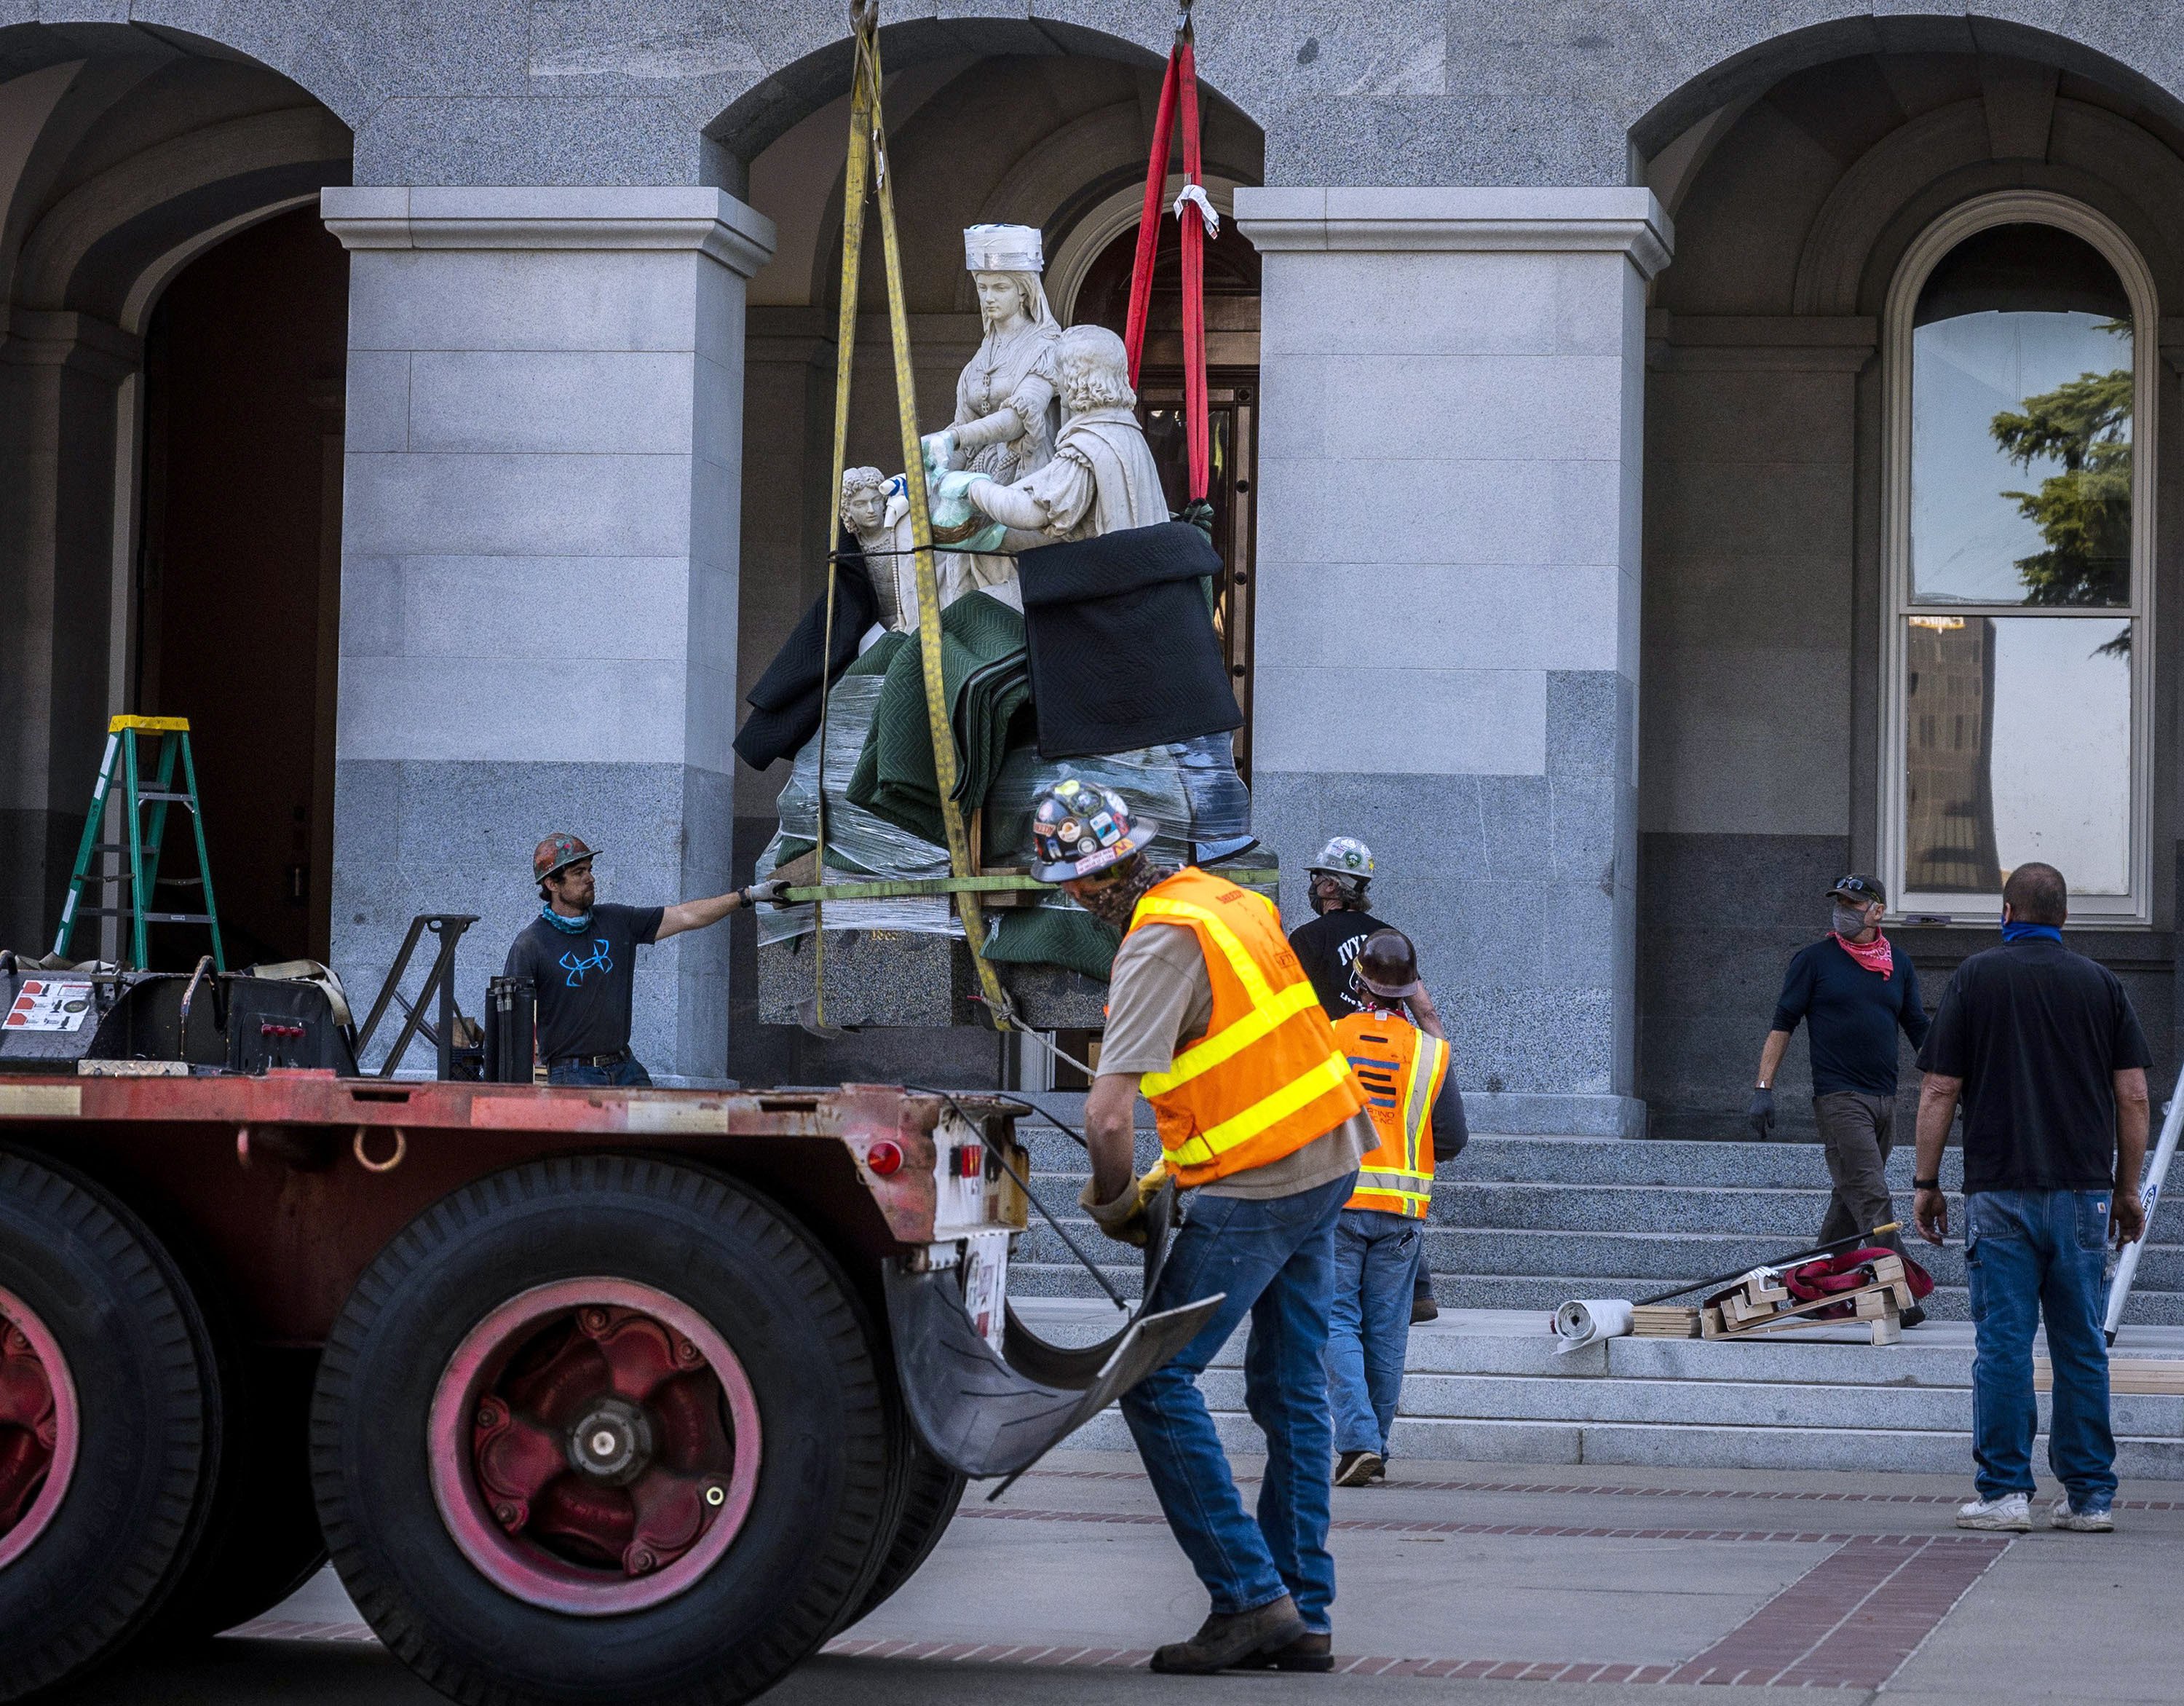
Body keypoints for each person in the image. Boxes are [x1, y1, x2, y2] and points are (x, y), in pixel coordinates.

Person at [1038, 778, 1373, 1675]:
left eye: (1071, 888)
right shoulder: (1228, 899)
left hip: (1260, 1179)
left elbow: (1108, 1118)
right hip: (1330, 1156)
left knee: (1154, 1381)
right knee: (1292, 1390)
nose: (1074, 901)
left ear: (1085, 885)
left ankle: (1249, 1600)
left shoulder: (1156, 940)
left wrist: (1114, 1204)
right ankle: (1304, 1612)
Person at [1912, 862, 2151, 1533]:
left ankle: (2005, 1492)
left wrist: (1926, 1183)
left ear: (2008, 911)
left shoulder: (1975, 977)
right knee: (2081, 1345)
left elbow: (1937, 1090)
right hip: (2083, 1195)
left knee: (2004, 1343)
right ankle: (2089, 1497)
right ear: (2066, 918)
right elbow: (2132, 1095)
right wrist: (2127, 1188)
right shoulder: (2102, 983)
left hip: (1999, 1191)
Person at [1749, 874, 1931, 1324]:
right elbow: (1782, 1025)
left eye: (1853, 903)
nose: (1843, 910)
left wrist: (1952, 1084)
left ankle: (1812, 1289)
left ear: (1877, 910)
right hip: (1840, 1099)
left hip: (1885, 1101)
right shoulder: (1814, 961)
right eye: (1839, 902)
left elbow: (1919, 1030)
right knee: (1871, 1196)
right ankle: (1902, 1290)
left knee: (1850, 1201)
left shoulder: (1897, 964)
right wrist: (1763, 1088)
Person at [1325, 930, 1465, 1487]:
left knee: (1335, 1319)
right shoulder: (1431, 1052)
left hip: (1338, 1203)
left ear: (1358, 981)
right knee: (1387, 1332)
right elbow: (1452, 1137)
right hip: (1403, 1214)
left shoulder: (1329, 1037)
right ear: (1410, 990)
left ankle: (1359, 1441)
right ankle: (1372, 1446)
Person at [1287, 837, 1447, 1324]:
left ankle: (1324, 1292)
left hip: (1333, 1065)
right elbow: (1423, 1006)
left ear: (1332, 884)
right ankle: (1416, 1290)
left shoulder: (1306, 939)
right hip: (1396, 1068)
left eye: (1317, 877)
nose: (1312, 886)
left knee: (1334, 1180)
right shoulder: (1389, 939)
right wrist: (1438, 1058)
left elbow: (1289, 1010)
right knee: (1389, 1177)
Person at [503, 834, 780, 1086]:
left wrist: (749, 895)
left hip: (626, 1069)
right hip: (574, 1075)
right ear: (552, 883)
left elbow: (686, 916)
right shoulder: (531, 943)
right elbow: (511, 1023)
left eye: (590, 869)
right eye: (578, 872)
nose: (590, 878)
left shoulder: (617, 920)